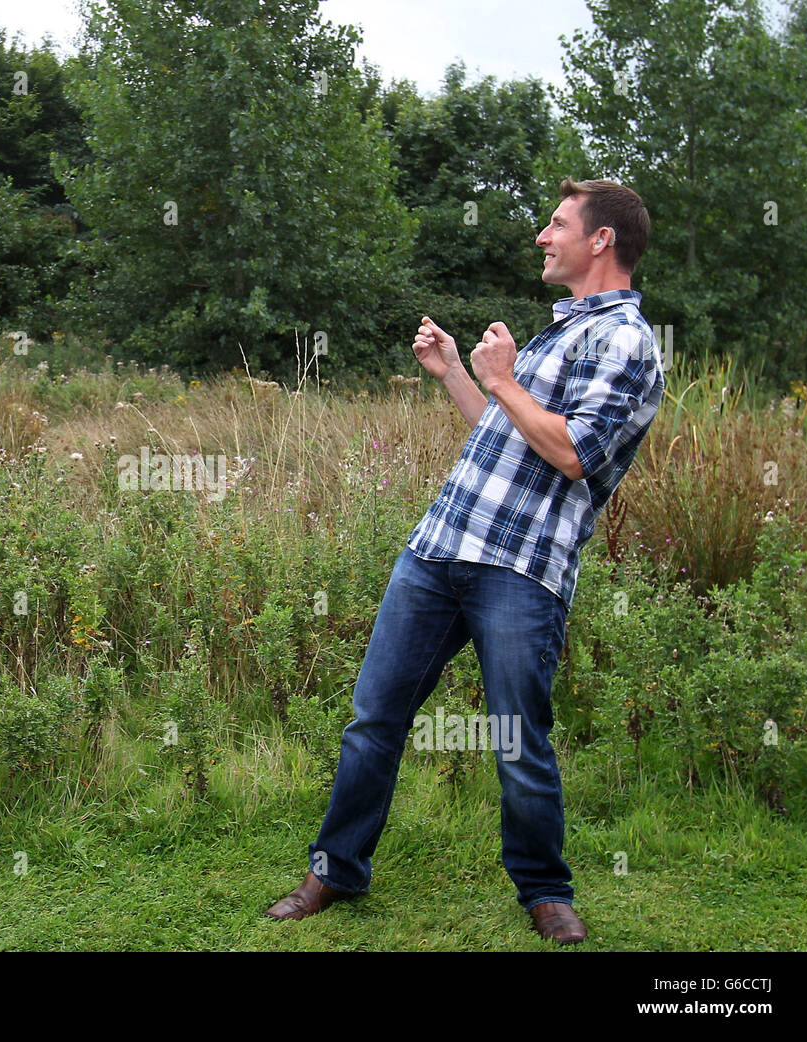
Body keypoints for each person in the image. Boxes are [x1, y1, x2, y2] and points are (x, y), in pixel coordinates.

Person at [265, 178, 664, 943]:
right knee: (374, 718)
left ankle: (545, 892)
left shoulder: (626, 343)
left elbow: (573, 454)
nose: (543, 237)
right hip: (439, 548)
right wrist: (456, 373)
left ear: (602, 239)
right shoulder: (558, 330)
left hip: (521, 569)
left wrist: (504, 378)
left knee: (518, 739)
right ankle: (335, 871)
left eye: (556, 224)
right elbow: (510, 434)